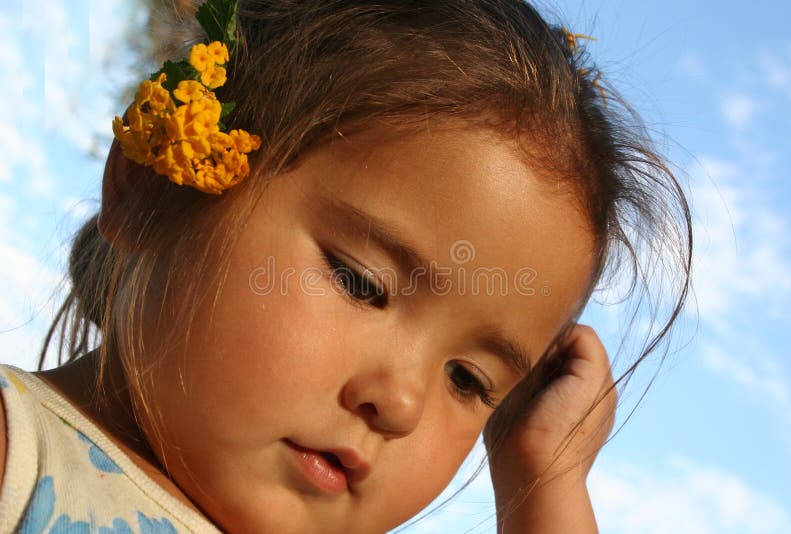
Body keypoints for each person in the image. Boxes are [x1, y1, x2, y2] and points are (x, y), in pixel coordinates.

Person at [0, 0, 692, 532]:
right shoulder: (19, 455)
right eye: (361, 283)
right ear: (149, 187)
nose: (401, 404)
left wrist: (546, 481)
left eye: (468, 379)